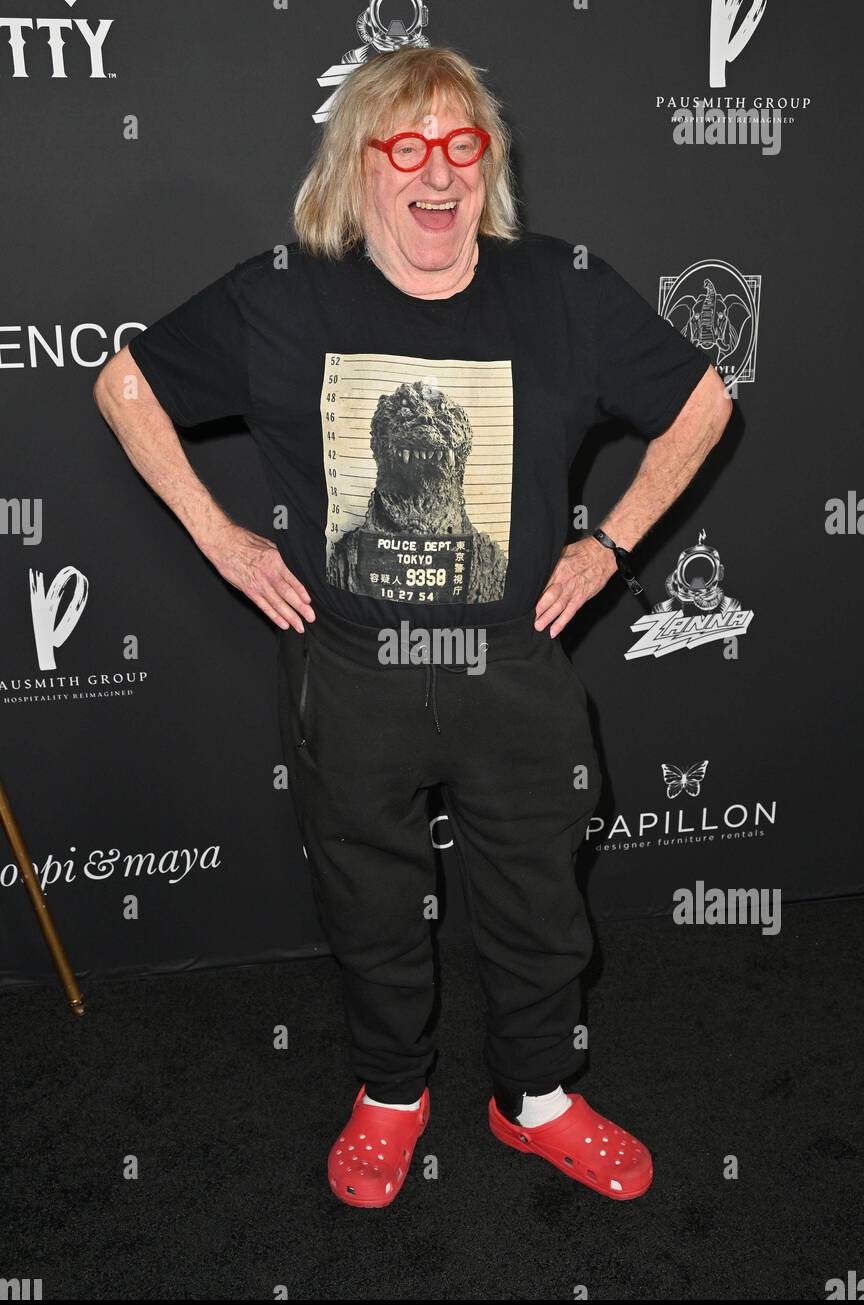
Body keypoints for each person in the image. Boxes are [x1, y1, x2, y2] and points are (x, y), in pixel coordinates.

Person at [93, 45, 731, 1209]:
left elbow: (704, 398)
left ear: (487, 166)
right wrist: (223, 538)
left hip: (515, 671)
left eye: (461, 145)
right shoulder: (281, 294)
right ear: (357, 167)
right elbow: (123, 385)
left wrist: (611, 545)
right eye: (406, 147)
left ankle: (535, 1096)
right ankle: (391, 1093)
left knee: (542, 902)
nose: (437, 173)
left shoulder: (560, 289)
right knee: (370, 904)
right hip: (353, 677)